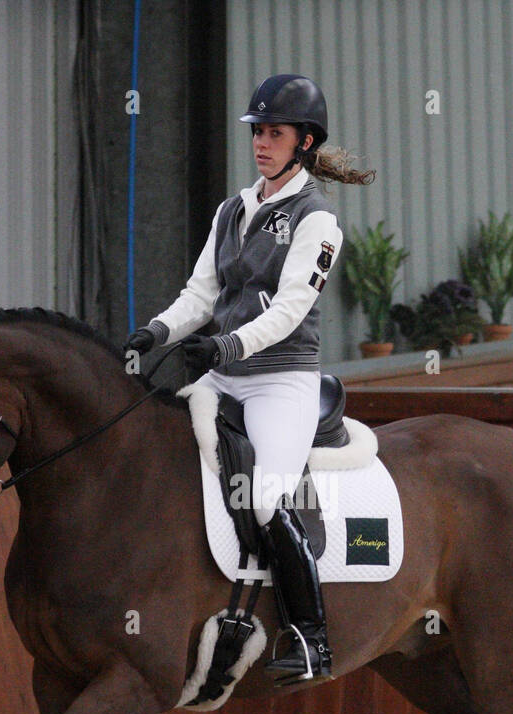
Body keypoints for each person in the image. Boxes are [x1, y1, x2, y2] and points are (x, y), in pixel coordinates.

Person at [126, 74, 373, 683]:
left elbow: (289, 312)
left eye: (275, 133)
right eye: (258, 131)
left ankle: (311, 637)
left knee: (263, 497)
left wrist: (225, 344)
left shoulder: (318, 222)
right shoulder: (233, 209)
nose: (262, 142)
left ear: (304, 141)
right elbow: (200, 293)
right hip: (222, 373)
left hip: (279, 383)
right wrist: (156, 332)